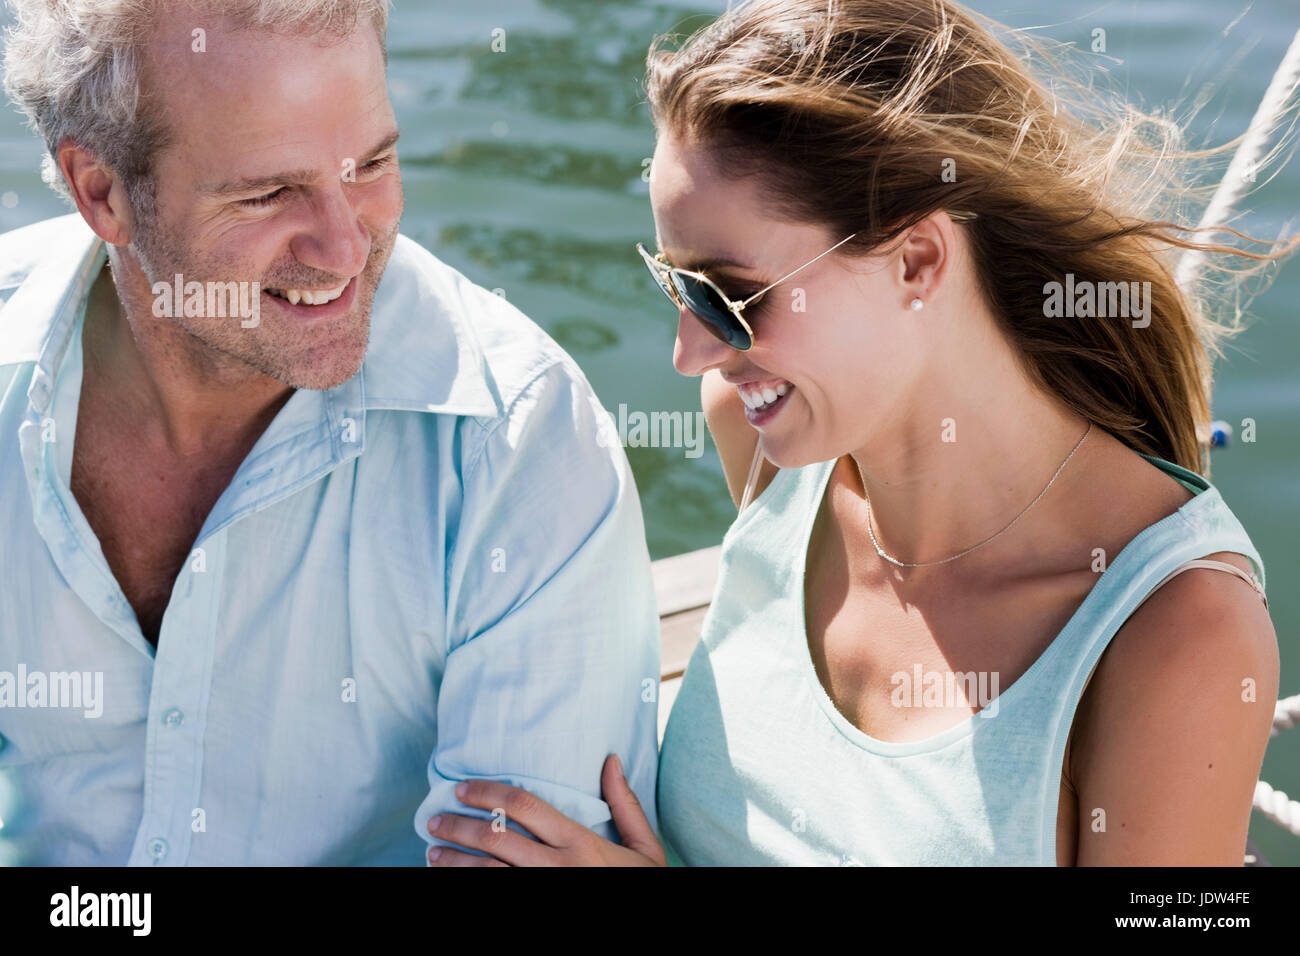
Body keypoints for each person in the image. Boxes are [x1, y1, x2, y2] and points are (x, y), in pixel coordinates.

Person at [424, 0, 1289, 866]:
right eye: (674, 284)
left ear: (917, 259)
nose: (690, 355)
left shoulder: (1182, 634)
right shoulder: (763, 440)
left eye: (726, 297)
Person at [0, 0, 660, 865]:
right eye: (267, 193)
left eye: (372, 164)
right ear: (102, 192)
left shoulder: (521, 444)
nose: (346, 250)